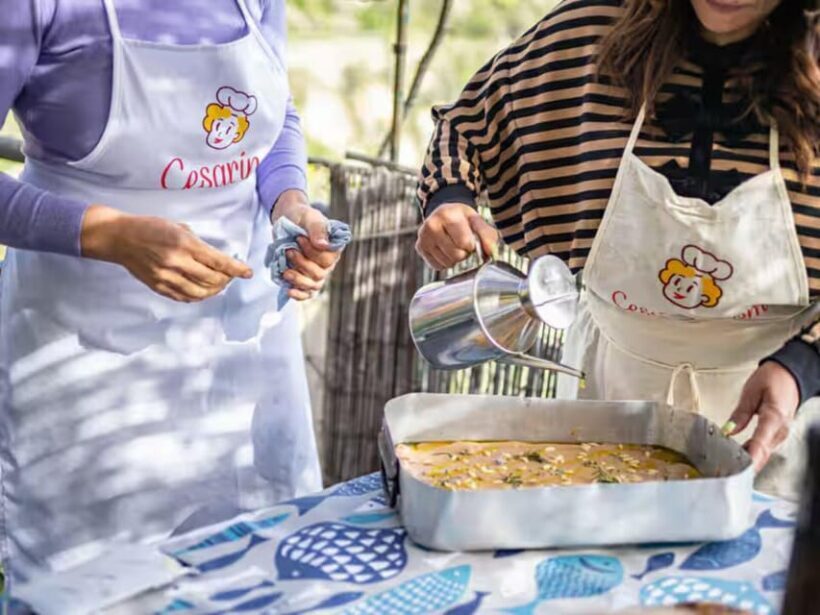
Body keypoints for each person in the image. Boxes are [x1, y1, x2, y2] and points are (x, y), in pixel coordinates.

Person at [417, 0, 819, 498]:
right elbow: (468, 124)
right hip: (611, 392)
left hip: (776, 411)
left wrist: (804, 365)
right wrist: (449, 199)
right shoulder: (588, 37)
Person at [0, 0, 339, 584]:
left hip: (245, 350)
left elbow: (275, 116)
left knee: (258, 571)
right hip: (88, 362)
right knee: (95, 587)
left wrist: (291, 205)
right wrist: (108, 234)